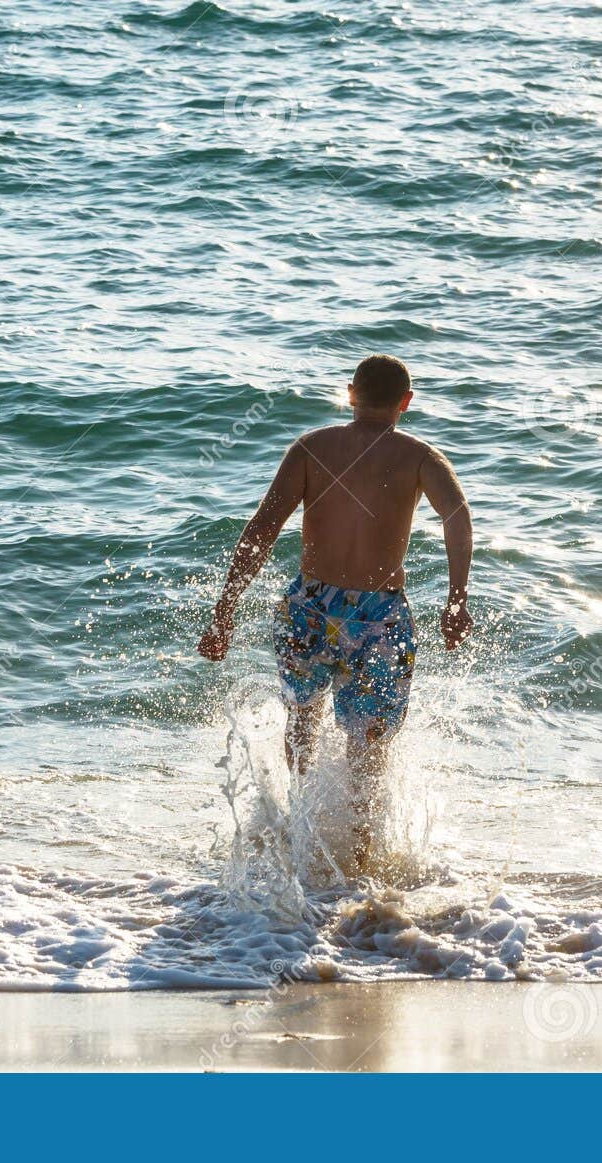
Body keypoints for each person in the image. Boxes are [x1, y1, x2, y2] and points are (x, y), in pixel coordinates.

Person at [197, 354, 473, 871]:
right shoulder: (420, 457)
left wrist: (225, 609)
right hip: (379, 619)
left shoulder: (310, 448)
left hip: (309, 609)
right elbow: (458, 518)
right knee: (368, 742)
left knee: (302, 719)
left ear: (350, 393)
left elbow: (261, 530)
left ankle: (303, 842)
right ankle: (363, 860)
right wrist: (456, 598)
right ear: (406, 402)